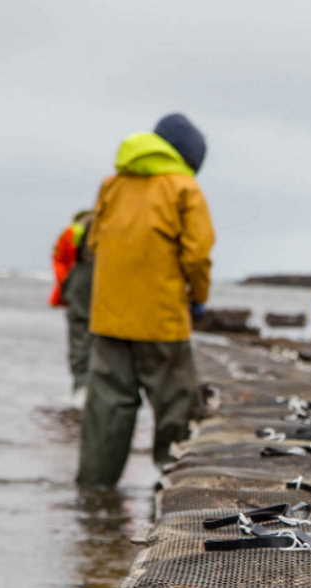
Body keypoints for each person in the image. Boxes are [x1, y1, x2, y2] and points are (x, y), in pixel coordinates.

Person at [77, 113, 215, 488]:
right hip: (162, 319)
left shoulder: (113, 184)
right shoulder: (183, 188)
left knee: (107, 408)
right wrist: (198, 298)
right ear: (188, 158)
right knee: (176, 406)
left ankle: (94, 493)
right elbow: (198, 254)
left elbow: (93, 245)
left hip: (108, 320)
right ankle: (173, 486)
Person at [48, 209, 94, 400]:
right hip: (102, 287)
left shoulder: (72, 231)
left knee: (79, 341)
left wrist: (66, 287)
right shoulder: (108, 225)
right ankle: (92, 388)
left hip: (79, 288)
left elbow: (60, 260)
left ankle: (81, 386)